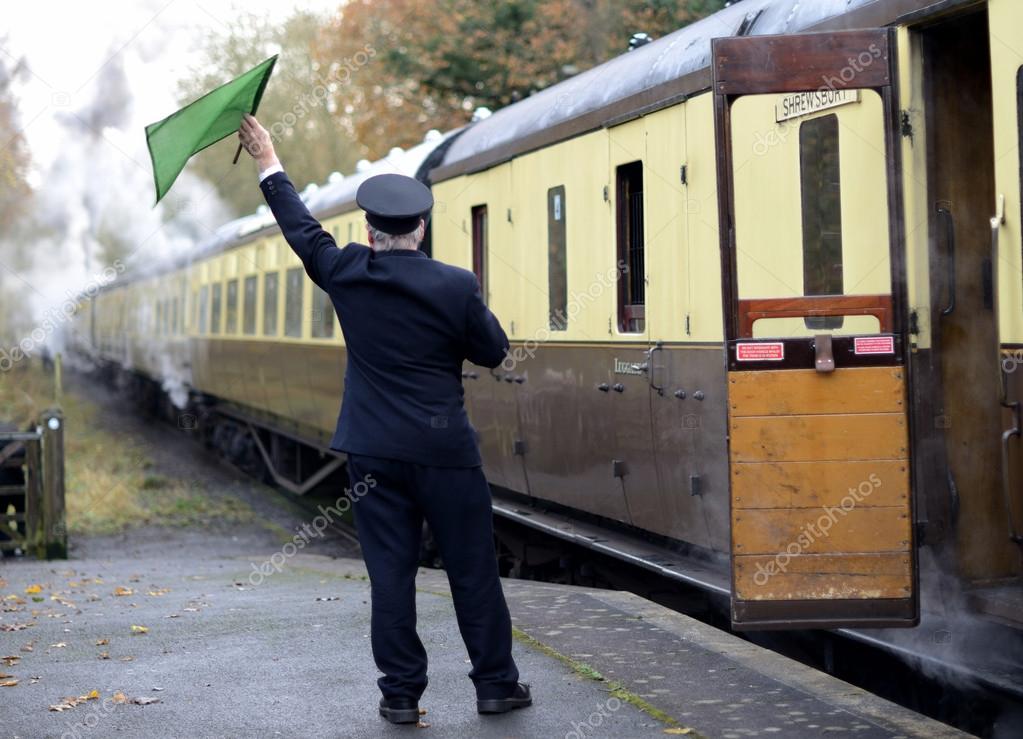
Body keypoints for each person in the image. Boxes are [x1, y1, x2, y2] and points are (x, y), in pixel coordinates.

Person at [238, 115, 531, 724]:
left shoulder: (348, 271)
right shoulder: (456, 285)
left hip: (373, 452)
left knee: (391, 575)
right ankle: (496, 687)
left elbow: (301, 229)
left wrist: (269, 162)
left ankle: (400, 695)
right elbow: (495, 352)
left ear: (370, 232)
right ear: (420, 229)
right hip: (445, 454)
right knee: (473, 570)